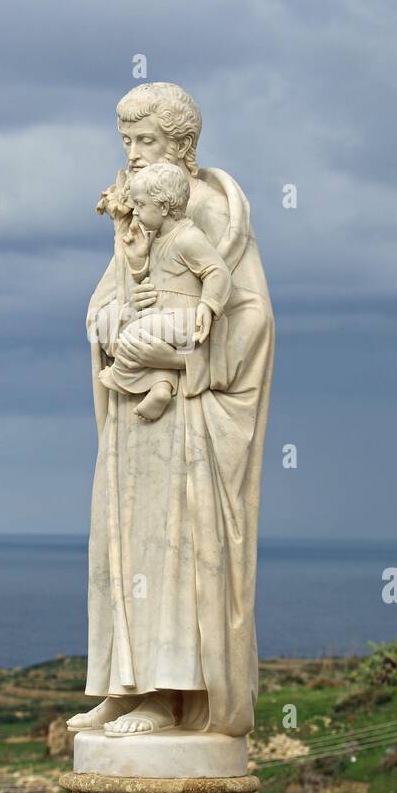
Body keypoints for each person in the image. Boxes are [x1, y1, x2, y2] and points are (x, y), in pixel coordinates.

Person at [68, 83, 274, 739]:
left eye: (145, 141)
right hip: (133, 417)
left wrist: (189, 348)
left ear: (183, 145)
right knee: (119, 548)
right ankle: (120, 687)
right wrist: (106, 317)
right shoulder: (137, 205)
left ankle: (169, 694)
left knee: (169, 552)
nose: (131, 154)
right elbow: (114, 290)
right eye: (125, 141)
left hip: (182, 416)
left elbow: (251, 312)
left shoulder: (201, 207)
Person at [98, 162, 232, 422]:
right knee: (109, 325)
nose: (134, 212)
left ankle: (121, 374)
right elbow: (154, 278)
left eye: (140, 205)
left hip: (181, 319)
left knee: (131, 335)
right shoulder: (156, 238)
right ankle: (161, 387)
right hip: (164, 316)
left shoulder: (187, 238)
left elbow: (217, 271)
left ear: (163, 207)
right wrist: (138, 264)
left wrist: (208, 305)